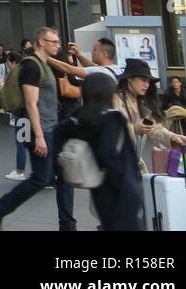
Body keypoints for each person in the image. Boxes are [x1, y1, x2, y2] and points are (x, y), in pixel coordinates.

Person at [0, 27, 77, 232]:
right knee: (41, 178)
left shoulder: (44, 65)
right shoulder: (32, 67)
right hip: (41, 130)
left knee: (63, 177)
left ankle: (68, 226)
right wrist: (39, 137)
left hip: (49, 128)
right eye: (52, 41)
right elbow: (31, 103)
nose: (57, 45)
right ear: (40, 43)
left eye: (57, 41)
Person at [56, 73, 141, 231]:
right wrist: (122, 181)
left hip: (99, 188)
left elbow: (58, 132)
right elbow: (108, 152)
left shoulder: (78, 119)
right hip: (122, 190)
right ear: (109, 93)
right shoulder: (112, 118)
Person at [113, 59, 186, 173]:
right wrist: (134, 128)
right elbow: (111, 129)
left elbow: (154, 128)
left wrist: (173, 137)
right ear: (130, 78)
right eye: (143, 80)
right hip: (115, 164)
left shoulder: (144, 103)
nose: (146, 85)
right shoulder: (116, 99)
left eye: (149, 81)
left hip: (134, 165)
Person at [0, 50, 28, 179]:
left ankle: (20, 171)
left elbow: (10, 95)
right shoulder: (26, 72)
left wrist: (1, 84)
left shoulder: (15, 74)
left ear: (13, 62)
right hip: (30, 113)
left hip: (21, 114)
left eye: (8, 62)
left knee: (21, 142)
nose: (7, 64)